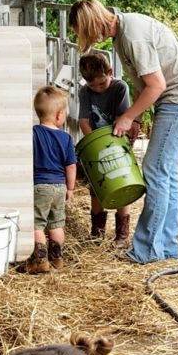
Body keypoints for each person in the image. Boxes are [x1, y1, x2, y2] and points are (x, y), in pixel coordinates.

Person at [68, 0, 178, 264]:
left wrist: (127, 117)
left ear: (93, 24)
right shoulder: (121, 33)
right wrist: (138, 117)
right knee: (165, 172)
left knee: (155, 170)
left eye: (85, 33)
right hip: (177, 98)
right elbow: (142, 83)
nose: (88, 39)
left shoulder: (132, 36)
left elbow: (156, 85)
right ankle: (166, 246)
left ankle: (145, 250)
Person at [78, 49, 140, 248]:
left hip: (117, 141)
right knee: (97, 188)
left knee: (121, 184)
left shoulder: (119, 88)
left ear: (110, 72)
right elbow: (84, 121)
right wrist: (94, 143)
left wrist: (112, 141)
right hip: (98, 147)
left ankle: (121, 235)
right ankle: (97, 233)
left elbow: (122, 119)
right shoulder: (84, 92)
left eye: (101, 83)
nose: (97, 89)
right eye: (91, 84)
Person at [17, 84, 76, 273]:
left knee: (37, 223)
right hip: (59, 186)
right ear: (59, 115)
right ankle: (57, 259)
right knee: (57, 223)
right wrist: (70, 188)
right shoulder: (66, 138)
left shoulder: (33, 133)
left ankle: (40, 260)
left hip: (40, 186)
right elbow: (71, 165)